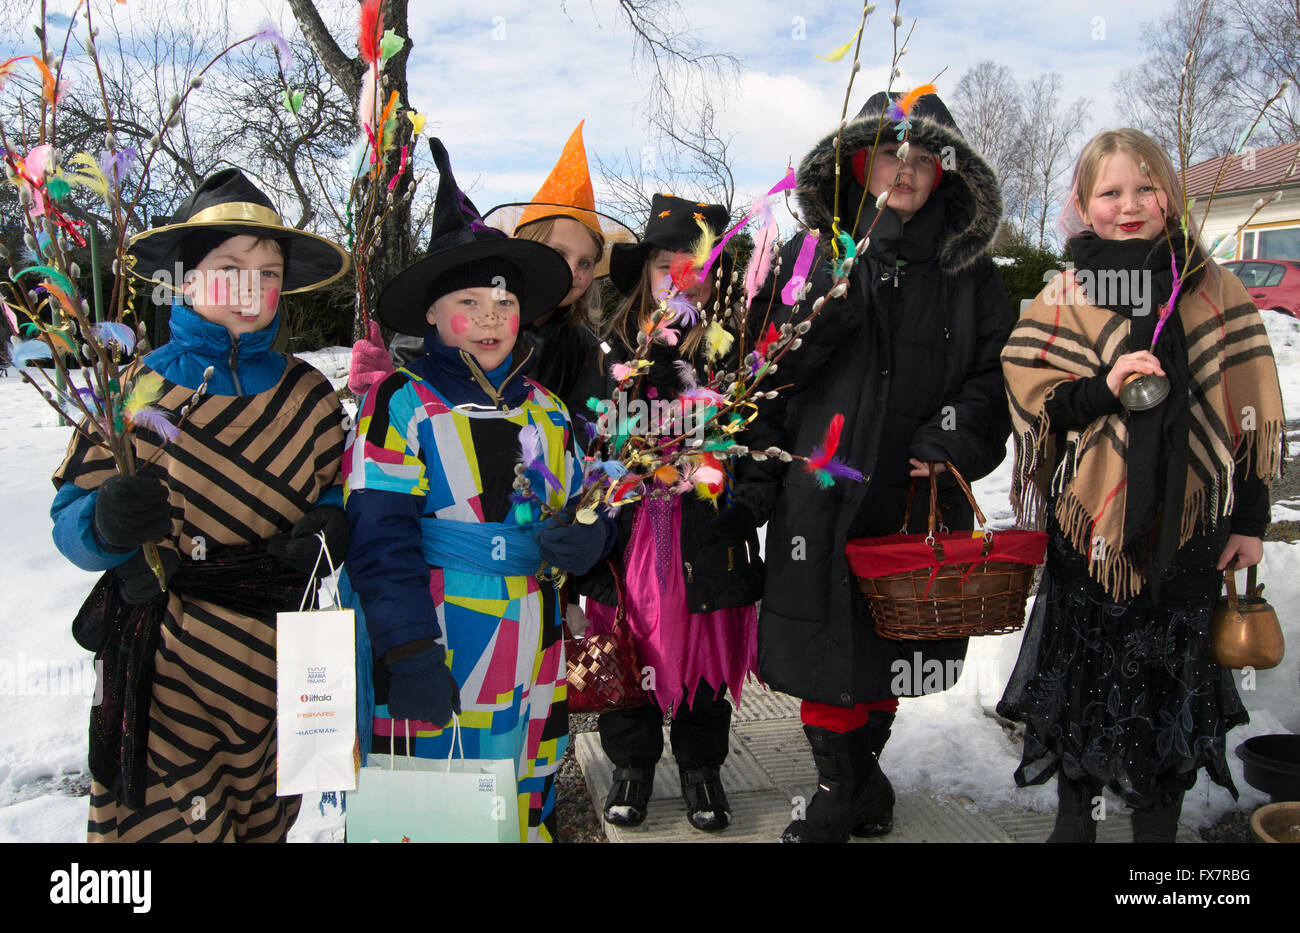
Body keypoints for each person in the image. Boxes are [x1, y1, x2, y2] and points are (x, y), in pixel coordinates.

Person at [731, 92, 1014, 842]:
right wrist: (823, 317)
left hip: (909, 496)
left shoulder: (973, 278)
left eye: (926, 159)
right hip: (817, 494)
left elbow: (994, 379)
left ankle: (859, 781)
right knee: (824, 645)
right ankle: (842, 789)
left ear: (948, 173)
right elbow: (766, 373)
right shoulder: (814, 256)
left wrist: (950, 438)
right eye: (893, 154)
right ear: (861, 161)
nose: (908, 170)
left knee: (892, 647)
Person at [997, 128, 1284, 843]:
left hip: (1187, 538)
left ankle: (1156, 837)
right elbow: (1043, 405)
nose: (1129, 205)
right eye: (1110, 192)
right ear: (1083, 204)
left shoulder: (1214, 287)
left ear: (1172, 196)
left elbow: (1246, 419)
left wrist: (1250, 519)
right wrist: (1105, 387)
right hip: (1090, 538)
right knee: (1082, 687)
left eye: (1145, 187)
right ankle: (1076, 823)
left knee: (1167, 691)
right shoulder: (1063, 295)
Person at [51, 168, 352, 841]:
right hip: (166, 660)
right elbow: (67, 519)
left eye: (269, 271)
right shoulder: (136, 387)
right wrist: (101, 524)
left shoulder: (311, 396)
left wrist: (335, 526)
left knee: (262, 817)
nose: (253, 287)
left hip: (274, 658)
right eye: (230, 267)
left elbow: (338, 490)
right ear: (184, 281)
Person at [342, 139, 614, 843]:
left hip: (534, 645)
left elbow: (578, 506)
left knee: (522, 798)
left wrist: (589, 537)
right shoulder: (403, 405)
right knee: (440, 812)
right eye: (468, 301)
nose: (490, 317)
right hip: (441, 640)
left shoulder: (550, 411)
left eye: (503, 301)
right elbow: (378, 537)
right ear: (430, 316)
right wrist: (406, 649)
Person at [574, 193, 762, 833]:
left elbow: (758, 439)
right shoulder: (606, 358)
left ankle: (702, 768)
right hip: (627, 537)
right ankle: (631, 764)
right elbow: (580, 442)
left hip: (704, 535)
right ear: (647, 274)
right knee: (628, 648)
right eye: (666, 265)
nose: (680, 277)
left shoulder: (733, 357)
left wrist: (736, 490)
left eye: (695, 265)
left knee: (702, 650)